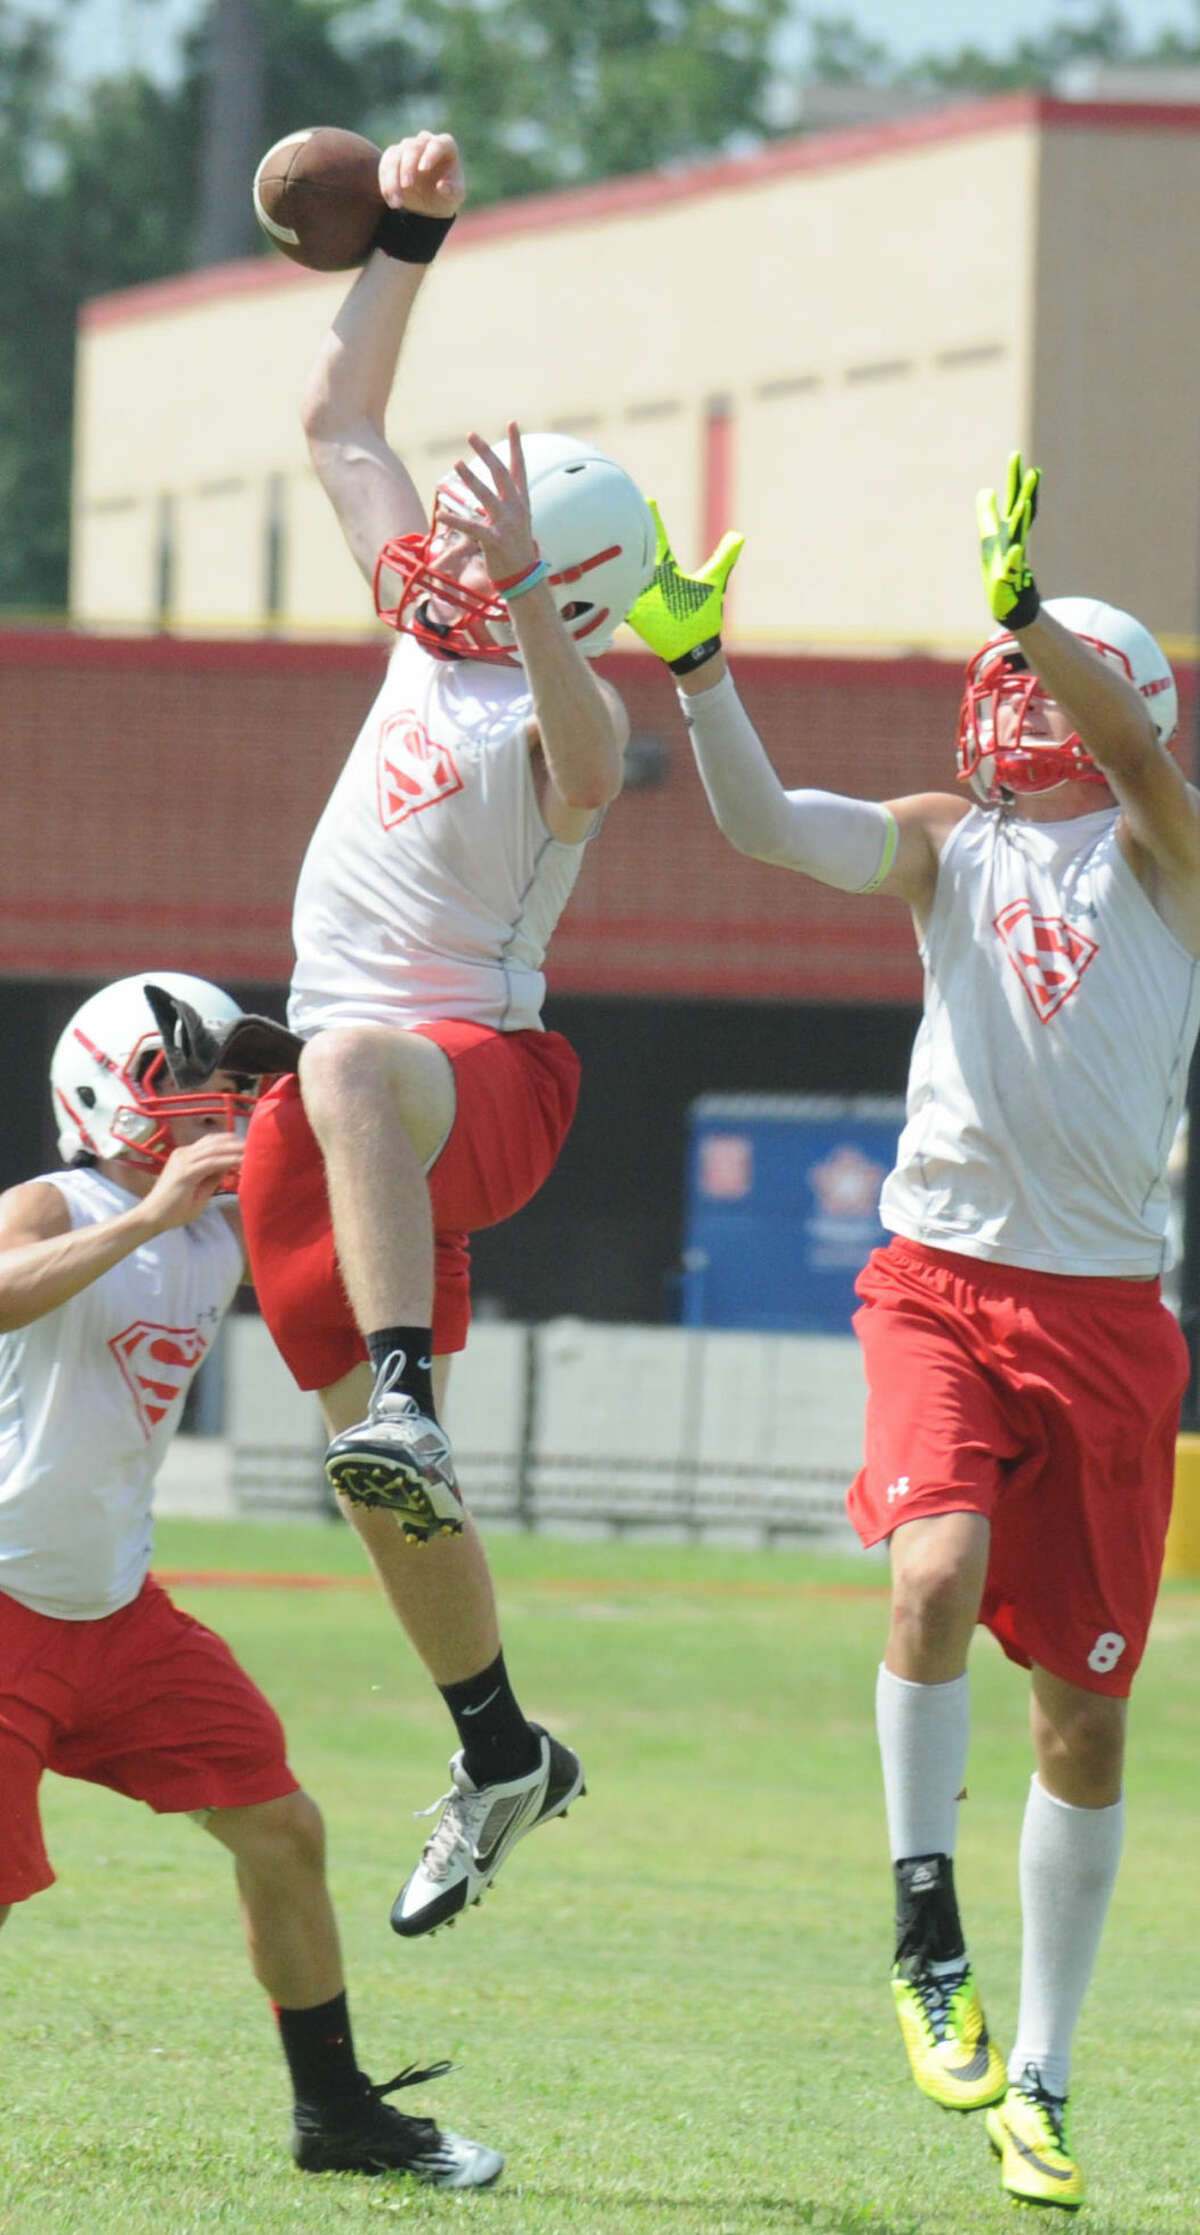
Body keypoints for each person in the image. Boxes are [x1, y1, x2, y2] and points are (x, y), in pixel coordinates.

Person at [625, 457, 1200, 2214]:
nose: (1007, 701)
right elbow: (767, 828)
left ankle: (1042, 2071)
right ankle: (922, 1929)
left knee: (1083, 1727)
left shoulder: (1171, 852)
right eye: (1003, 669)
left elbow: (1143, 764)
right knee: (927, 1577)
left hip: (1107, 1318)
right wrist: (700, 672)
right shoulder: (950, 845)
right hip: (938, 1277)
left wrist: (1032, 616)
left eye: (1030, 680)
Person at [237, 127, 657, 1939]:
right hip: (359, 1100)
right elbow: (337, 420)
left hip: (474, 1080)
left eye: (500, 559)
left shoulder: (564, 711)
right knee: (367, 1482)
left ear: (564, 595)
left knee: (339, 1075)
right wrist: (410, 234)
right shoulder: (436, 628)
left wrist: (535, 616)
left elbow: (590, 770)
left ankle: (410, 1389)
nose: (453, 571)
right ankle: (500, 1748)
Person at [0, 973, 503, 2189]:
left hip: (115, 1614)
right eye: (180, 1087)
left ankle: (334, 2116)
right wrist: (142, 1214)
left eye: (225, 1088)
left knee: (281, 1829)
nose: (211, 1111)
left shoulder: (219, 1230)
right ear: (97, 1091)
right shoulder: (52, 1200)